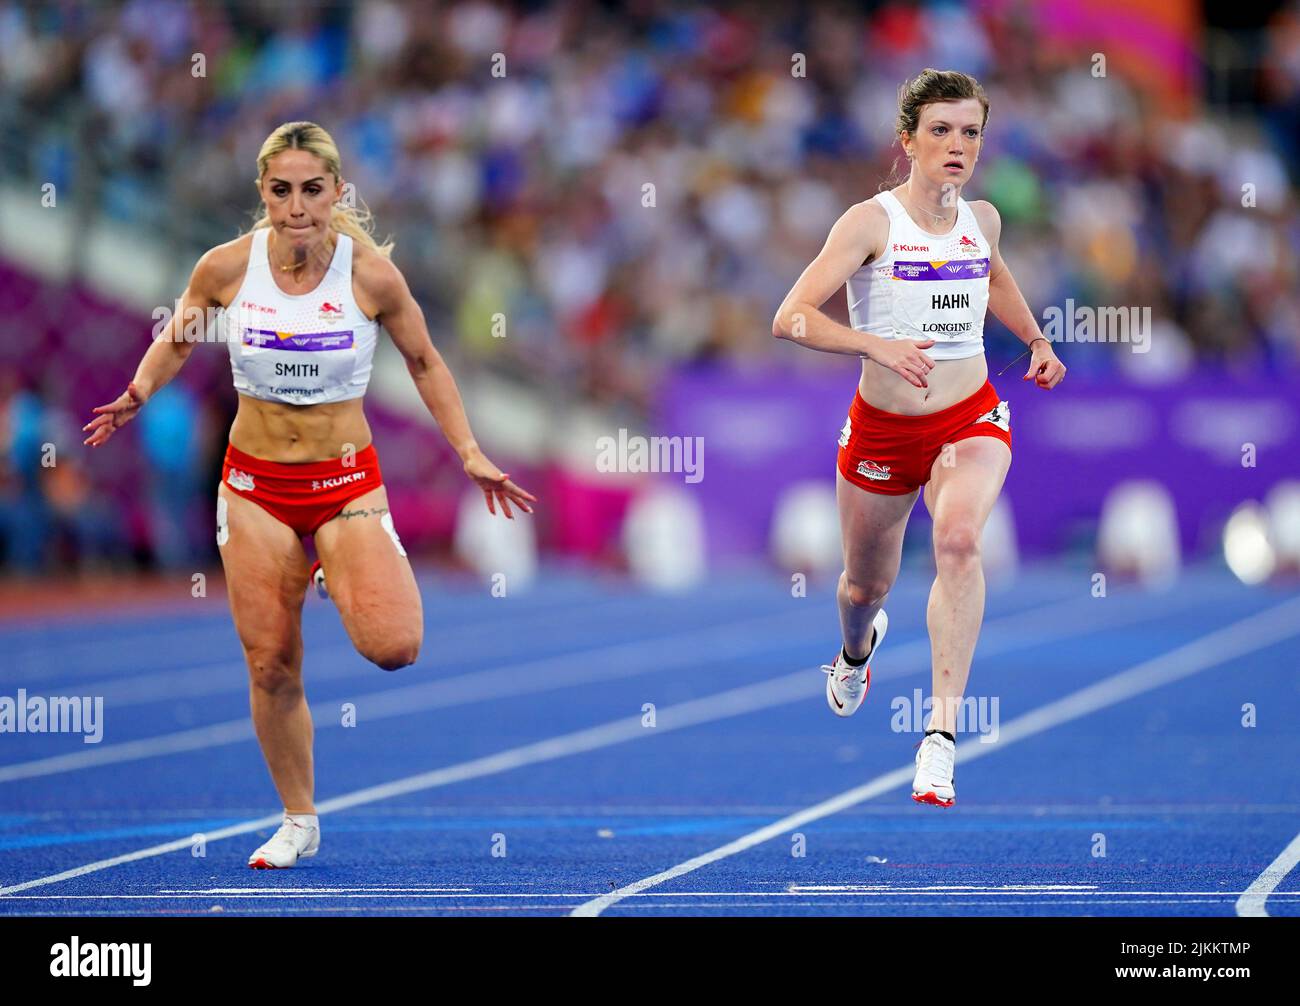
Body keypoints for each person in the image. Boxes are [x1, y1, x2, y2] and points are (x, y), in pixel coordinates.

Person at [82, 121, 536, 866]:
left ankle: (335, 562)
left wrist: (471, 451)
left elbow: (425, 362)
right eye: (282, 190)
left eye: (312, 190)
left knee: (396, 647)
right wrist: (138, 388)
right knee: (270, 662)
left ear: (337, 193)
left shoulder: (371, 278)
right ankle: (299, 818)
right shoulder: (226, 268)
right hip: (255, 487)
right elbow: (180, 334)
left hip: (345, 483)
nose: (297, 207)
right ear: (263, 193)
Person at [772, 70, 1065, 807]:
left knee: (961, 540)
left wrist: (1035, 339)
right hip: (884, 429)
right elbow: (792, 317)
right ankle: (854, 650)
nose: (956, 146)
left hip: (970, 416)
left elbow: (993, 278)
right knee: (862, 586)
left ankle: (939, 737)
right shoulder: (869, 224)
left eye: (970, 132)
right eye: (940, 131)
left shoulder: (985, 219)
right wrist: (873, 345)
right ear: (906, 141)